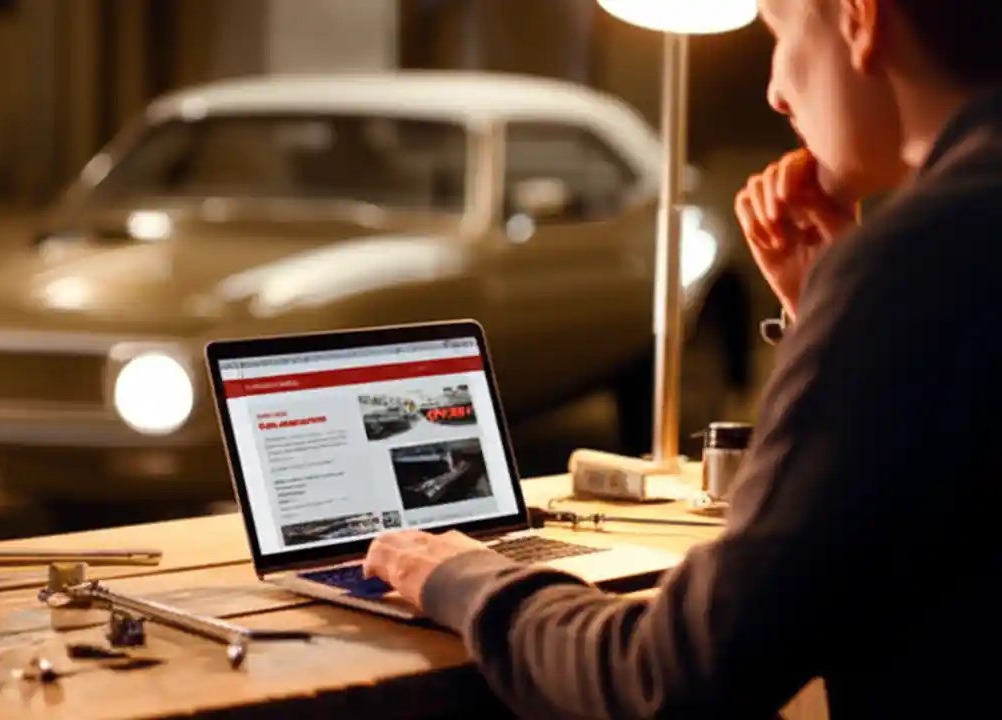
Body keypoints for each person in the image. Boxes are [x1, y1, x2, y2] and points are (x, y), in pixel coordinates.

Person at [362, 1, 1002, 716]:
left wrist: (464, 579)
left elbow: (670, 677)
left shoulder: (920, 258)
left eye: (780, 33)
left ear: (860, 18)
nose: (776, 90)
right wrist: (826, 315)